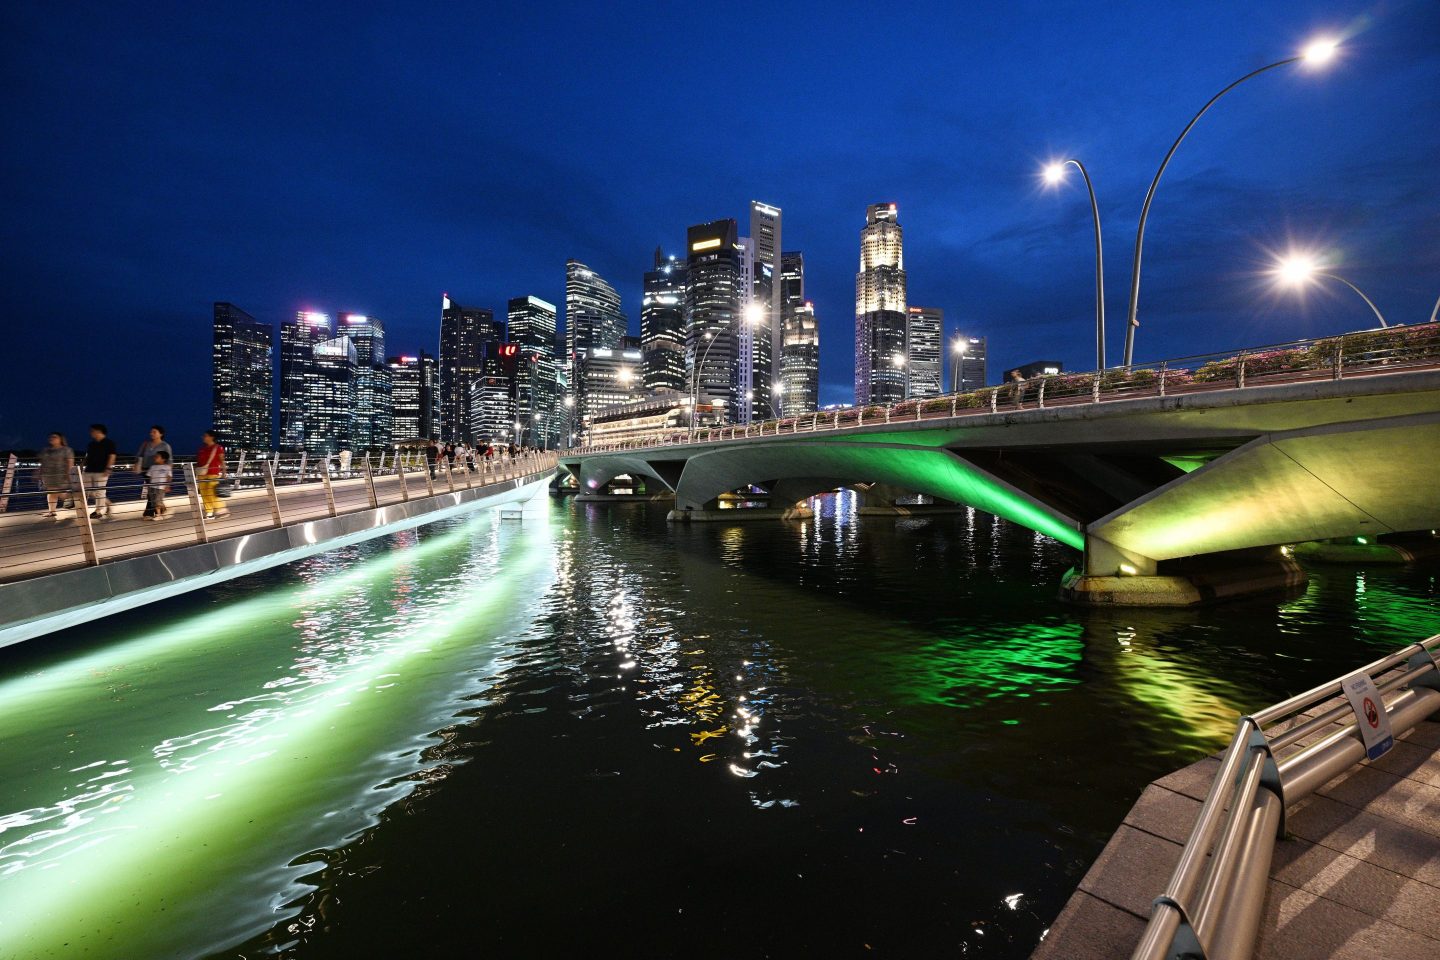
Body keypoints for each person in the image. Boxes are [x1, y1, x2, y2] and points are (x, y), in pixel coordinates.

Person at [134, 425, 173, 517]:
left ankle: (150, 512)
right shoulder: (146, 444)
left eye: (154, 432)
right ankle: (160, 508)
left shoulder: (165, 445)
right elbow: (139, 455)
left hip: (159, 472)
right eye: (151, 432)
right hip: (147, 471)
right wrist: (136, 465)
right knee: (152, 491)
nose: (151, 433)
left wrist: (168, 475)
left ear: (161, 434)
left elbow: (169, 460)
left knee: (152, 491)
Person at [83, 423, 117, 519]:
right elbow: (87, 457)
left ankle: (98, 511)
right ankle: (108, 503)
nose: (90, 433)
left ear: (98, 431)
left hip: (102, 470)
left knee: (100, 491)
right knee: (86, 490)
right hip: (89, 470)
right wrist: (82, 467)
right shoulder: (91, 444)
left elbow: (112, 456)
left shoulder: (109, 443)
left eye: (92, 431)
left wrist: (108, 468)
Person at [39, 432, 75, 519]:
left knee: (59, 493)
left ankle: (73, 498)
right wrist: (39, 473)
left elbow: (70, 463)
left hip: (61, 475)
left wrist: (68, 474)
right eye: (51, 437)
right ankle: (52, 511)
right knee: (51, 493)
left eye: (55, 437)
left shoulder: (66, 450)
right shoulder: (47, 450)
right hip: (48, 476)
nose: (52, 438)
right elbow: (43, 462)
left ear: (60, 439)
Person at [196, 430, 228, 520]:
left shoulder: (218, 447)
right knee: (204, 493)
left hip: (213, 473)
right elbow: (199, 461)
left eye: (205, 436)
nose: (203, 437)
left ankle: (221, 509)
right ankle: (209, 512)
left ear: (211, 437)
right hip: (202, 474)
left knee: (211, 492)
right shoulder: (202, 448)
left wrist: (224, 472)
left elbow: (222, 461)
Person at [146, 450, 173, 520]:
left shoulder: (167, 467)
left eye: (157, 457)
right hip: (152, 486)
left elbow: (169, 477)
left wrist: (167, 486)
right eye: (155, 456)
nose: (155, 457)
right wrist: (148, 487)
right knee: (154, 501)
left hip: (161, 487)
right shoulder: (152, 467)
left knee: (157, 501)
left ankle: (158, 515)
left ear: (163, 459)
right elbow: (149, 477)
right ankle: (165, 510)